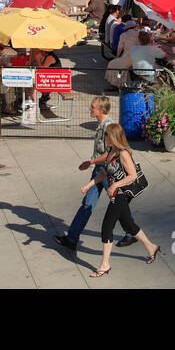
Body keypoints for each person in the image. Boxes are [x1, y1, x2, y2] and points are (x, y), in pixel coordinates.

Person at [54, 97, 131, 252]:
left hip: (107, 172)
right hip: (100, 170)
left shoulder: (108, 127)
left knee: (118, 203)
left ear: (101, 110)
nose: (90, 109)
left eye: (93, 107)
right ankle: (71, 238)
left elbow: (111, 153)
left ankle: (132, 231)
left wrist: (91, 162)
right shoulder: (100, 125)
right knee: (88, 204)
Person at [89, 126, 160, 278]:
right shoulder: (110, 151)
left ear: (113, 136)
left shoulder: (123, 153)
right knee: (128, 224)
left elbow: (132, 176)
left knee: (107, 227)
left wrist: (114, 185)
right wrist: (88, 185)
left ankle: (104, 264)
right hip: (115, 194)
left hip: (121, 194)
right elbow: (104, 172)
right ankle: (151, 247)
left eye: (106, 134)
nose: (104, 137)